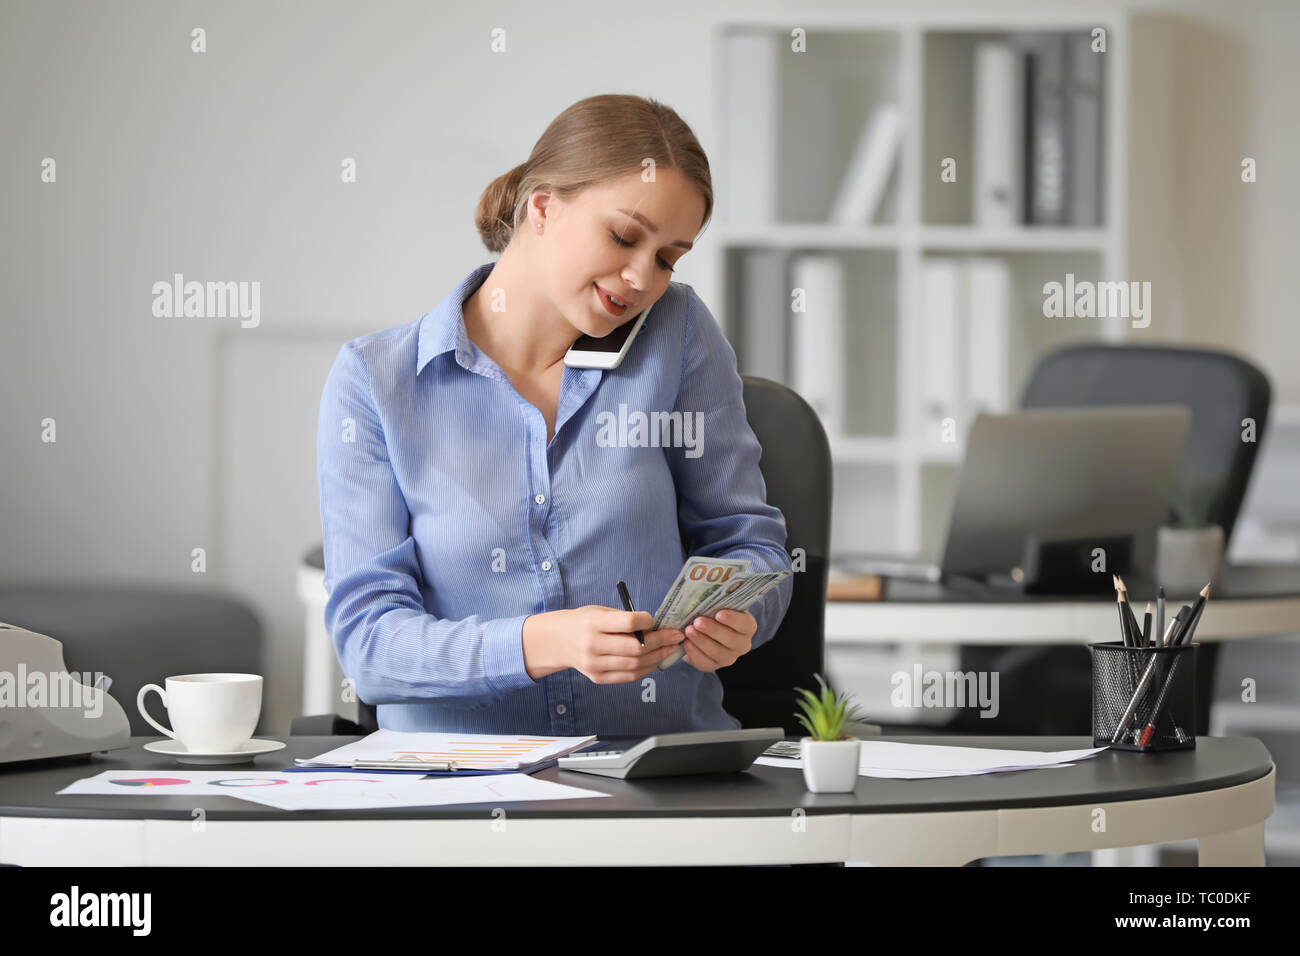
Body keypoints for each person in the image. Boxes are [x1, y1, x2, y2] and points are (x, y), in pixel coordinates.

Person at [316, 93, 793, 735]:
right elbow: (370, 647)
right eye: (624, 236)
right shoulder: (376, 382)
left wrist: (741, 614)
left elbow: (752, 546)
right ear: (542, 206)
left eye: (667, 258)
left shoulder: (676, 333)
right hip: (458, 793)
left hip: (661, 778)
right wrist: (543, 644)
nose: (640, 277)